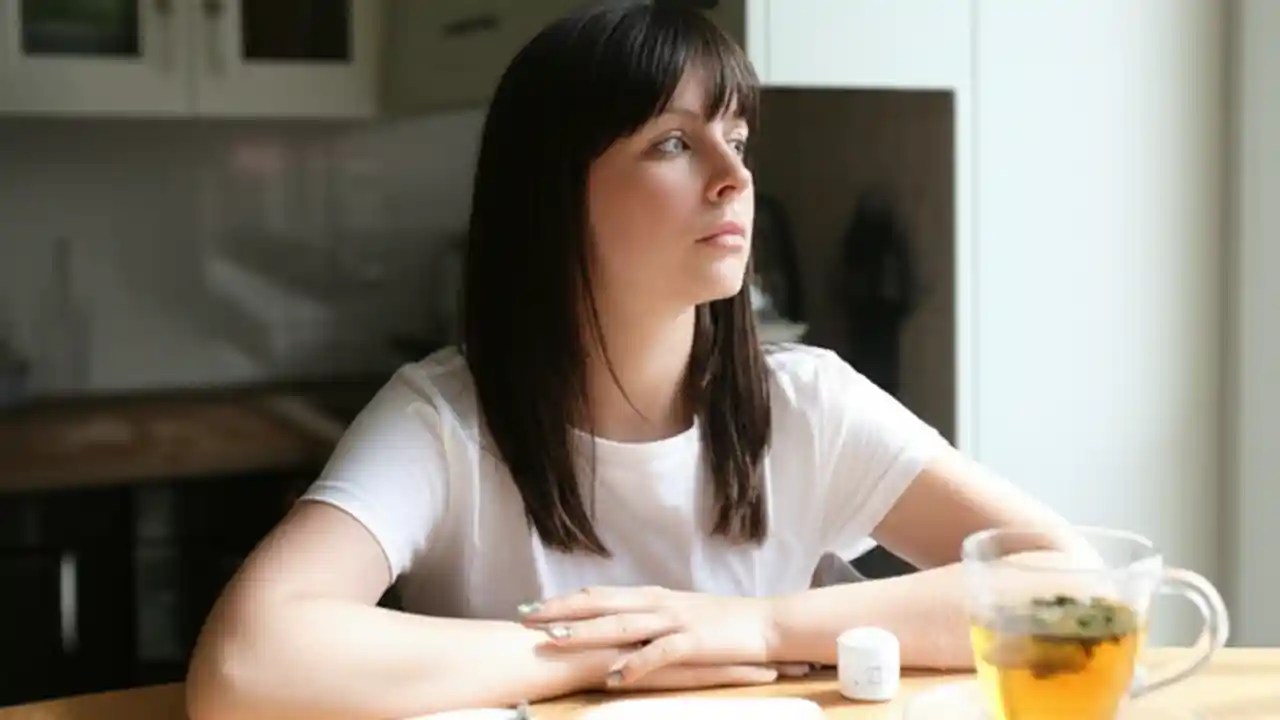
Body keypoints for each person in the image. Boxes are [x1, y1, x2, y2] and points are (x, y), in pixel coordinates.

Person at [185, 2, 1067, 718]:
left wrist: (757, 629)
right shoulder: (443, 420)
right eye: (675, 143)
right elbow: (247, 663)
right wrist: (612, 651)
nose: (734, 176)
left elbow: (1064, 586)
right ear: (554, 198)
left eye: (738, 138)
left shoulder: (809, 402)